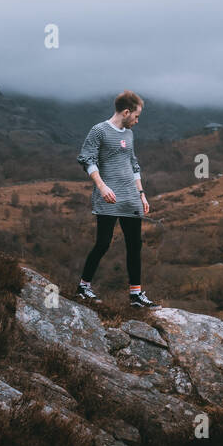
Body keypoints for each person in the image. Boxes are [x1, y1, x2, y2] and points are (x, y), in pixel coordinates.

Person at [76, 90, 155, 307]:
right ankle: (83, 287)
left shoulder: (129, 134)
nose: (137, 121)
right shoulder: (99, 131)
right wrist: (101, 187)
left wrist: (142, 194)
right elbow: (86, 159)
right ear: (126, 112)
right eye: (136, 116)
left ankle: (136, 295)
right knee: (102, 243)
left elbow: (133, 164)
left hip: (131, 197)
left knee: (134, 245)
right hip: (108, 198)